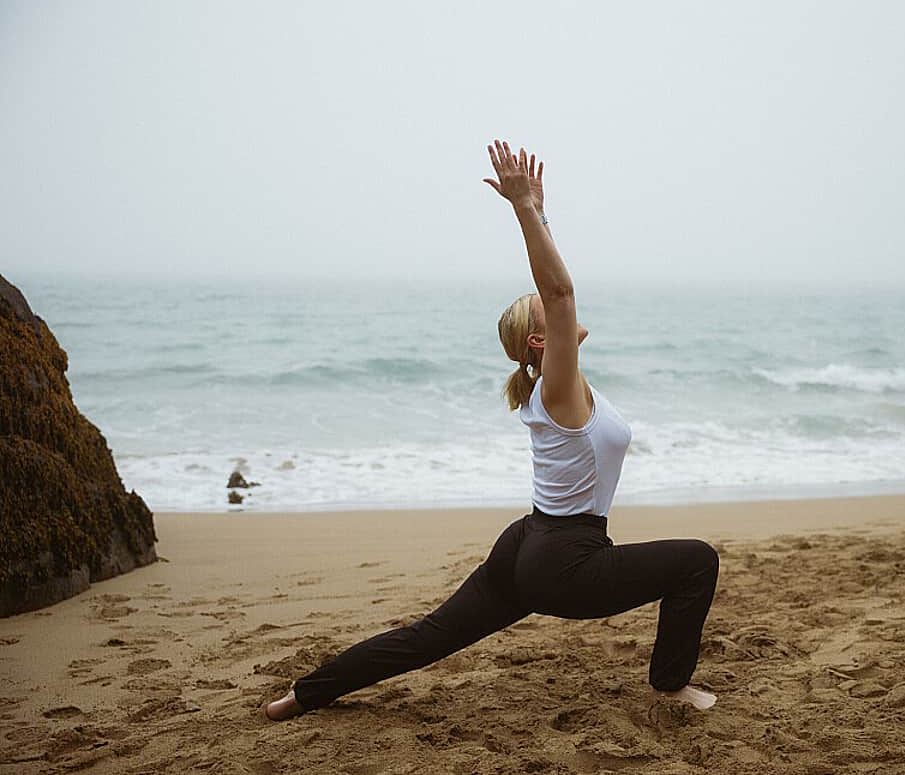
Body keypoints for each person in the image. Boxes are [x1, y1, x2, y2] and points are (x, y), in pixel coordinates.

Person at [263, 140, 719, 721]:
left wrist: (543, 215)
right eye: (549, 317)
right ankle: (671, 686)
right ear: (540, 341)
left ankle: (302, 695)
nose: (562, 314)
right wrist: (523, 209)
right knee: (698, 561)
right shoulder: (558, 389)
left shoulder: (559, 387)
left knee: (429, 637)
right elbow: (559, 291)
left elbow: (554, 291)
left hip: (526, 543)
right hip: (565, 560)